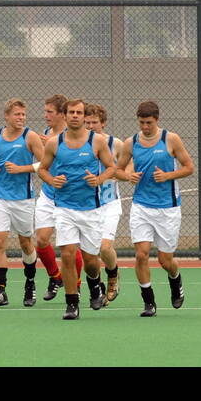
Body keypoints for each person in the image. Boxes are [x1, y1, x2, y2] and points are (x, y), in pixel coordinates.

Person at [37, 98, 117, 320]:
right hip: (64, 208)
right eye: (71, 112)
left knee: (91, 260)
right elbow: (42, 169)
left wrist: (99, 179)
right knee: (68, 254)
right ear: (65, 115)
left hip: (91, 209)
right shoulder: (54, 143)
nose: (74, 115)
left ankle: (94, 284)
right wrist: (52, 180)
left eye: (78, 112)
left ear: (84, 116)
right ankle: (72, 303)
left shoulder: (97, 141)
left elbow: (112, 168)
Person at [118, 100, 194, 317]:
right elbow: (117, 170)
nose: (145, 127)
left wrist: (168, 175)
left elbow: (189, 167)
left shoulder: (171, 139)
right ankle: (148, 301)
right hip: (141, 206)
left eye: (149, 123)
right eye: (141, 122)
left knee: (164, 260)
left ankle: (175, 278)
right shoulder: (131, 143)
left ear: (157, 120)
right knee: (141, 254)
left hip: (167, 208)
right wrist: (128, 176)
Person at [0, 99, 44, 307]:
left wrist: (22, 169)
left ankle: (30, 282)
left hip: (23, 199)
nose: (21, 118)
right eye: (17, 114)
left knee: (26, 243)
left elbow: (46, 163)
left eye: (23, 115)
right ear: (7, 116)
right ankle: (1, 290)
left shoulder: (31, 137)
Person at [34, 94, 77, 300]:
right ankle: (55, 277)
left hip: (69, 196)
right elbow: (44, 165)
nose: (45, 116)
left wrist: (53, 143)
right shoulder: (45, 134)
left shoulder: (72, 135)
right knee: (41, 240)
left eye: (49, 112)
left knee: (68, 245)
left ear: (62, 114)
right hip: (48, 193)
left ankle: (75, 284)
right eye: (45, 111)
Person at [85, 103, 123, 302]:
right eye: (87, 122)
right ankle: (96, 287)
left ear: (103, 123)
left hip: (109, 203)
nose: (90, 126)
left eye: (94, 123)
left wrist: (117, 174)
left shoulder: (114, 143)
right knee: (89, 253)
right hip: (87, 205)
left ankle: (113, 276)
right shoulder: (79, 143)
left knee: (105, 247)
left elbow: (127, 167)